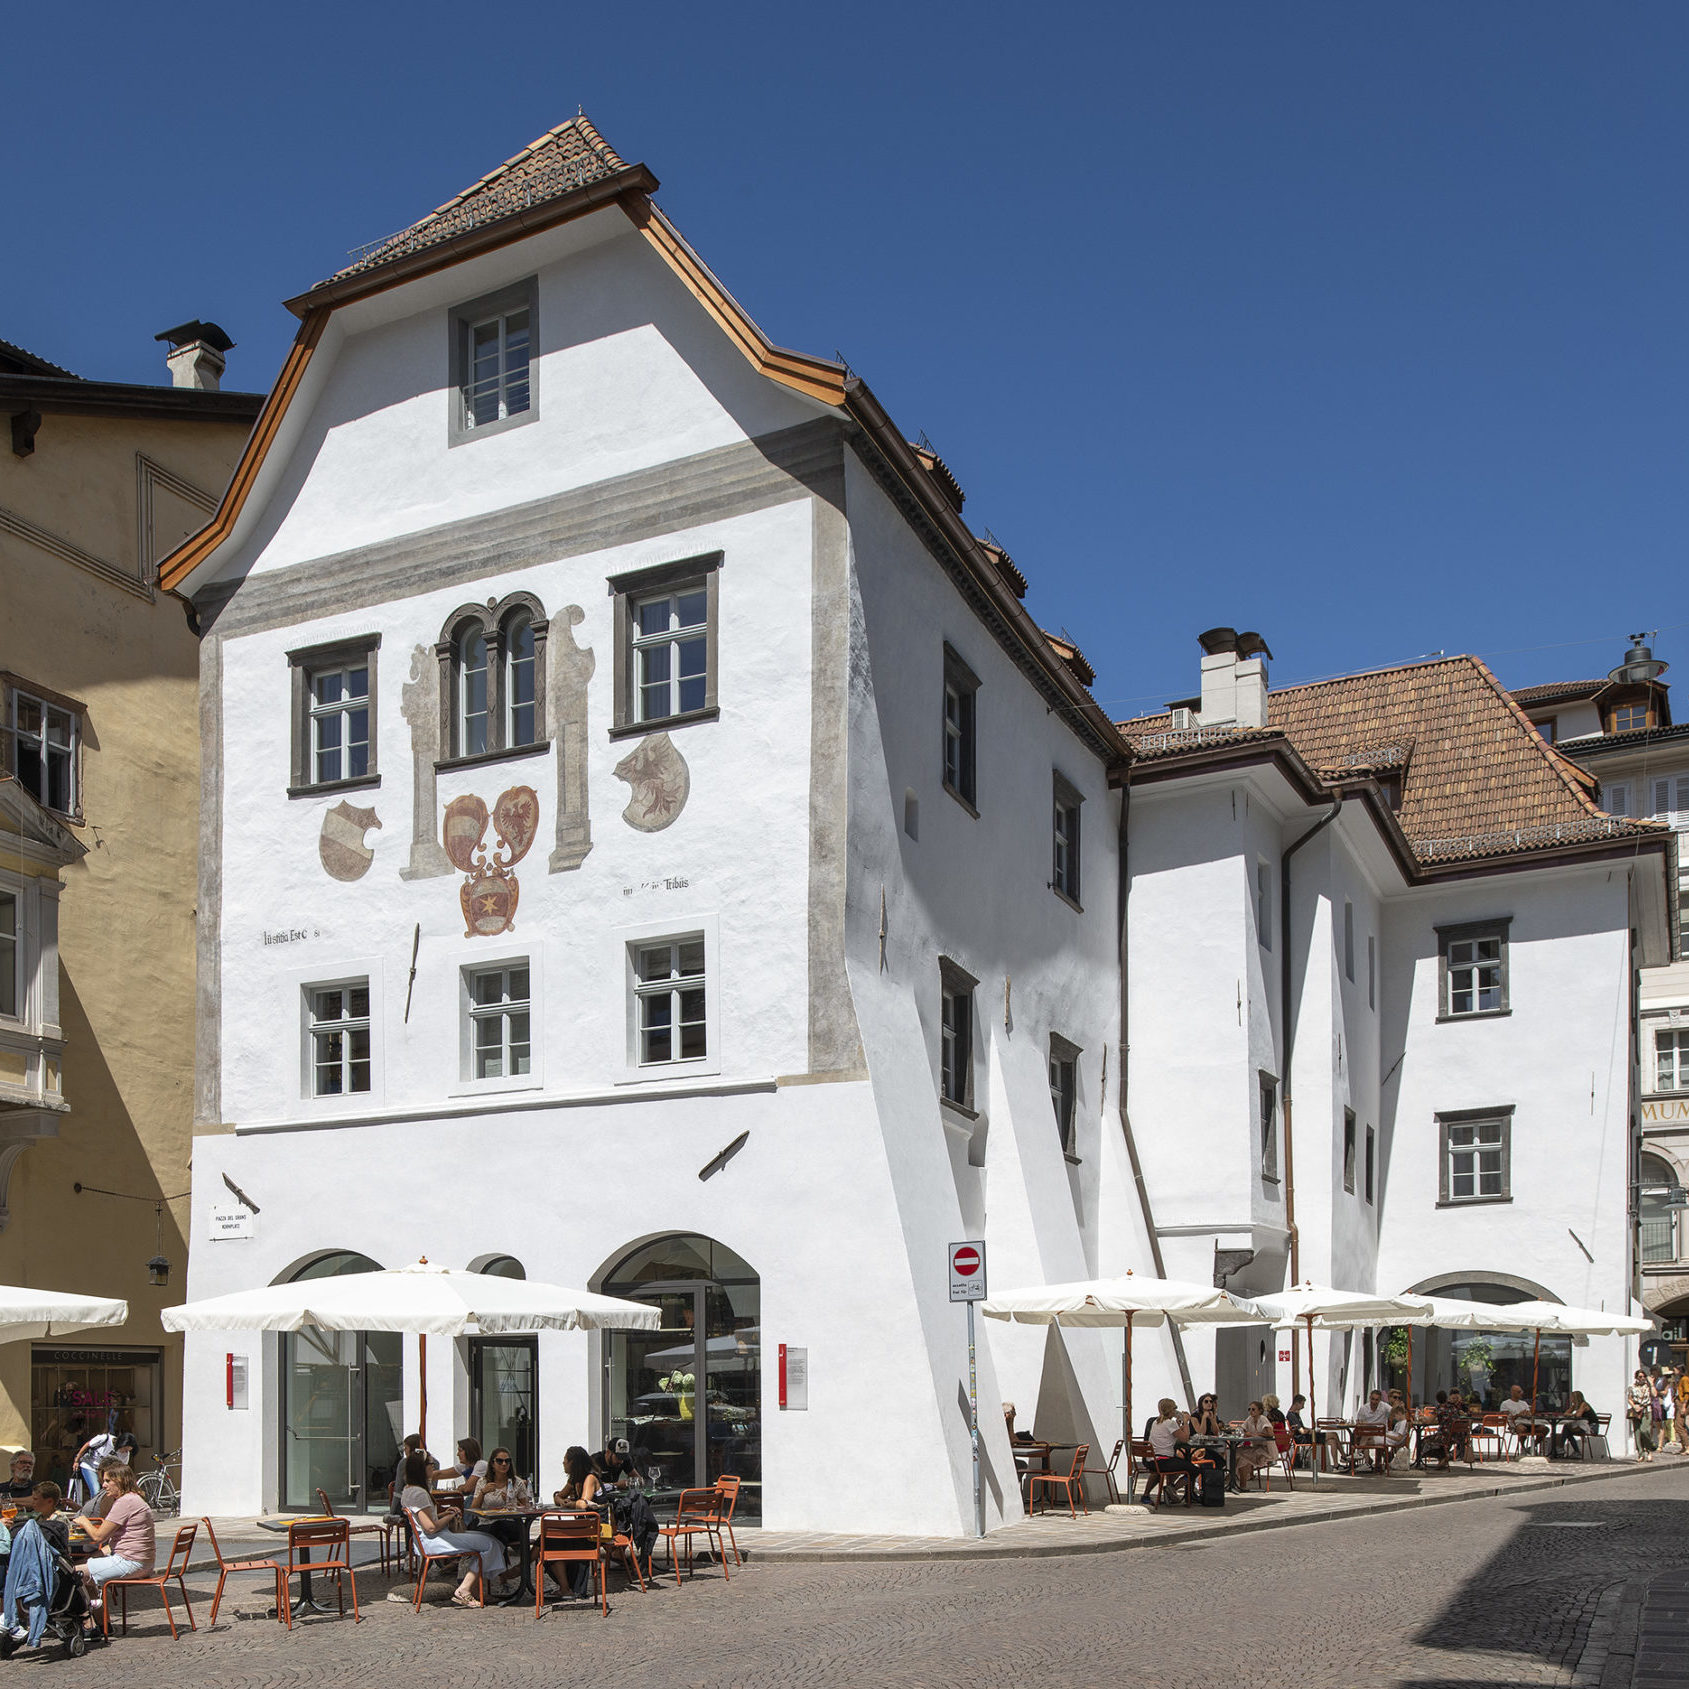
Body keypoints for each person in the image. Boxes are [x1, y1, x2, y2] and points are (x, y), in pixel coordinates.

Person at [397, 1452, 508, 1607]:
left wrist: (446, 1512)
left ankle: (474, 1589)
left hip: (430, 1538)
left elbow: (427, 1519)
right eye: (431, 1465)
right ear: (422, 1468)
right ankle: (465, 1589)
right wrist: (450, 1517)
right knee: (489, 1544)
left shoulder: (410, 1490)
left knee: (491, 1541)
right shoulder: (418, 1493)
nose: (433, 1468)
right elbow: (430, 1527)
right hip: (433, 1540)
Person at [73, 1462, 153, 1616]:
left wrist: (84, 1521)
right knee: (82, 1566)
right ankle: (101, 1623)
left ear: (120, 1481)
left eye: (108, 1481)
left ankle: (85, 1621)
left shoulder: (125, 1502)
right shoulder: (133, 1499)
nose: (103, 1485)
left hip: (130, 1563)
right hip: (141, 1561)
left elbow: (98, 1536)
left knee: (72, 1573)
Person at [551, 1447, 605, 1594]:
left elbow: (584, 1503)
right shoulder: (575, 1479)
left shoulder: (590, 1478)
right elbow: (558, 1496)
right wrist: (561, 1500)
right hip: (582, 1528)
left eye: (565, 1459)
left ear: (573, 1462)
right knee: (547, 1540)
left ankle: (565, 1587)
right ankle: (565, 1586)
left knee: (550, 1541)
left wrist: (571, 1503)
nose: (563, 1462)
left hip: (594, 1531)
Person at [70, 1427, 117, 1504]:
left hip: (103, 1470)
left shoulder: (123, 1453)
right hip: (89, 1466)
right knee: (95, 1490)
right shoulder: (105, 1438)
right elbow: (87, 1444)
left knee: (106, 1491)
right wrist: (77, 1460)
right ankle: (94, 1509)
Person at [1235, 1401, 1275, 1487]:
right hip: (1256, 1448)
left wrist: (1254, 1434)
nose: (1251, 1411)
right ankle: (1242, 1485)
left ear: (1260, 1411)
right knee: (1240, 1456)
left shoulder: (1262, 1419)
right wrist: (1244, 1431)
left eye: (1253, 1409)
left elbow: (1271, 1434)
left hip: (1266, 1450)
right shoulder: (1250, 1419)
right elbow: (1242, 1429)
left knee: (1238, 1454)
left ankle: (1230, 1476)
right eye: (1249, 1409)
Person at [1553, 1390, 1599, 1458]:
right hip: (1583, 1425)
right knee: (1568, 1431)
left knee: (1567, 1428)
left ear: (1576, 1398)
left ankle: (1562, 1448)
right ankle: (1573, 1451)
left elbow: (1578, 1415)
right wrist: (1573, 1413)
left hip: (1591, 1427)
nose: (1570, 1399)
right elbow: (1565, 1413)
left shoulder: (1584, 1404)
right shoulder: (1575, 1406)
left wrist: (1572, 1414)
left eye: (1572, 1397)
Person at [1353, 1389, 1391, 1471]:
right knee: (1360, 1435)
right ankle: (1366, 1462)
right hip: (1367, 1434)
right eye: (1372, 1399)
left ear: (1380, 1400)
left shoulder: (1384, 1406)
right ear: (1370, 1398)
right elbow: (1359, 1422)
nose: (1374, 1402)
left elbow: (1394, 1412)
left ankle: (1360, 1453)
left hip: (1380, 1434)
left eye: (1376, 1400)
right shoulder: (1364, 1408)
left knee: (1364, 1437)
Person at [1628, 1369, 1657, 1461]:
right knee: (1637, 1432)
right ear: (1636, 1377)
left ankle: (1649, 1449)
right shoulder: (1632, 1387)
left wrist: (1652, 1384)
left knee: (1645, 1430)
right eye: (1640, 1377)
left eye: (1644, 1376)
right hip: (1636, 1411)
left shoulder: (1648, 1386)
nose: (1642, 1378)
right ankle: (1641, 1453)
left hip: (1646, 1410)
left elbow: (1655, 1395)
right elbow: (1629, 1398)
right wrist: (1634, 1406)